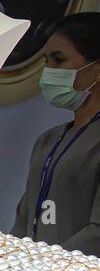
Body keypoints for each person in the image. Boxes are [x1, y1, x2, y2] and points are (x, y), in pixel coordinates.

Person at [12, 13, 100, 255]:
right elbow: (24, 218)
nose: (48, 71)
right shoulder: (47, 140)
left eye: (58, 60)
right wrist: (13, 261)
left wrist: (51, 270)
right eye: (46, 61)